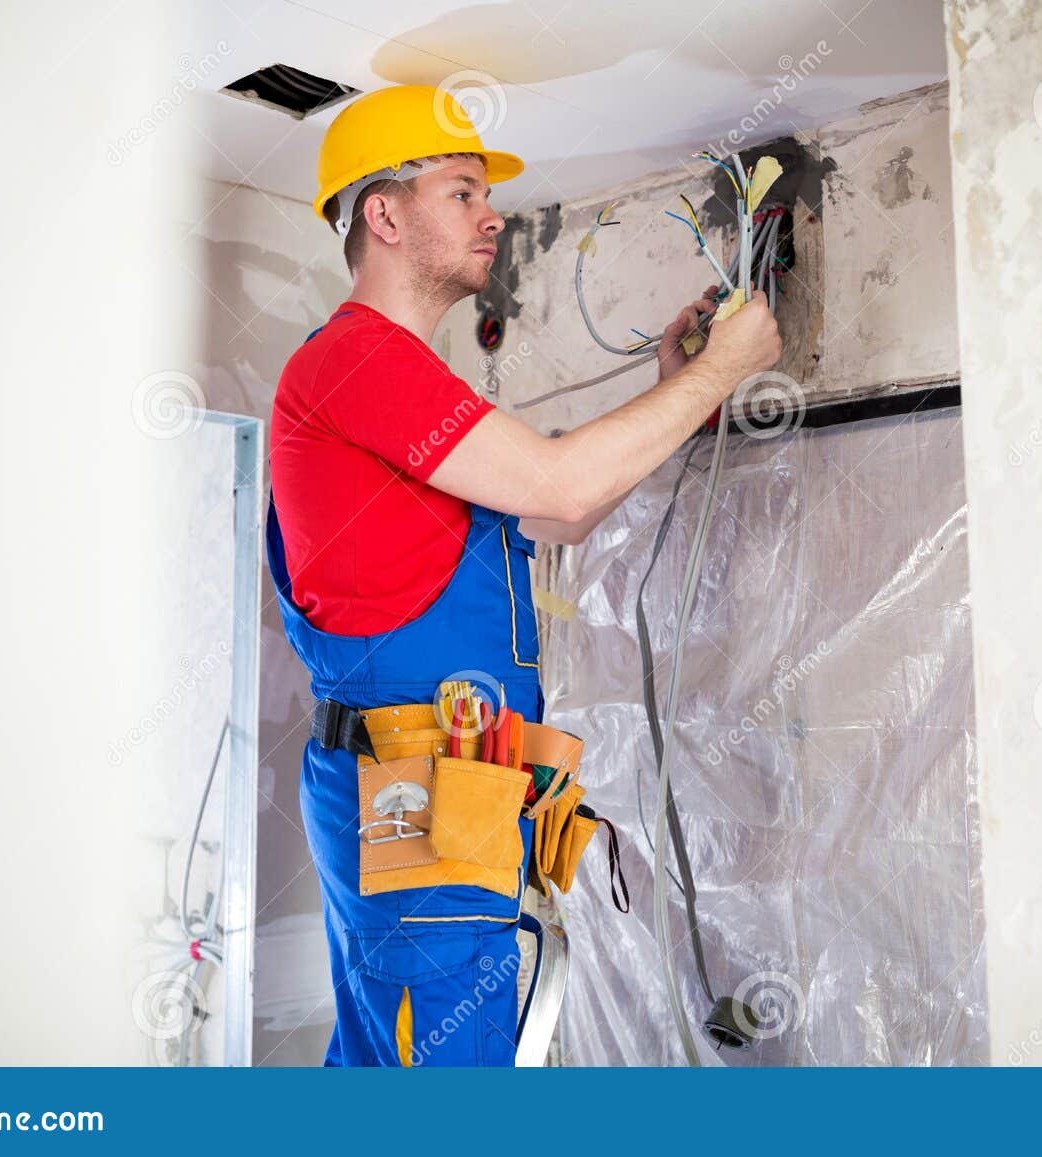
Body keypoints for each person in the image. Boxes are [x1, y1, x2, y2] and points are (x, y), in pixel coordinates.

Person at [267, 83, 781, 1066]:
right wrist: (724, 371)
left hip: (441, 774)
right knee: (438, 1064)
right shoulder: (357, 361)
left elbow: (563, 506)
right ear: (384, 214)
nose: (490, 211)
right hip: (411, 779)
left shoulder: (396, 380)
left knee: (404, 1050)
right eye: (461, 189)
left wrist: (677, 385)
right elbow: (559, 475)